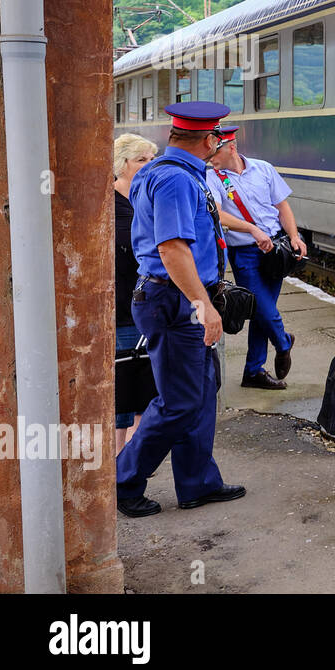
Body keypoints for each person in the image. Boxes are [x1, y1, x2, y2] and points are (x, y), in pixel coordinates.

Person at [117, 102, 245, 517]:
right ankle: (122, 483)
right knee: (179, 402)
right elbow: (172, 249)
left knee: (202, 393)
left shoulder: (165, 172)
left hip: (176, 298)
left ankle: (198, 483)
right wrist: (203, 305)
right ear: (208, 141)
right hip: (175, 301)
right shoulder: (174, 179)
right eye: (218, 139)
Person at [205, 125, 306, 389]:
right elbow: (218, 214)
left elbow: (282, 206)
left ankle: (253, 372)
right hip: (245, 252)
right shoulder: (213, 177)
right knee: (262, 308)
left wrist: (294, 236)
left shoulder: (263, 168)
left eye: (215, 151)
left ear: (231, 147)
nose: (210, 156)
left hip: (274, 250)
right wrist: (251, 228)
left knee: (262, 312)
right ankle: (283, 342)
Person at [113, 133, 158, 454]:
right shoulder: (111, 205)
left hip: (148, 303)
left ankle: (137, 452)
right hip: (122, 304)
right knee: (124, 383)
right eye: (141, 159)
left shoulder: (147, 199)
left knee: (147, 382)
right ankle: (118, 456)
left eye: (151, 159)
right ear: (122, 164)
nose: (148, 165)